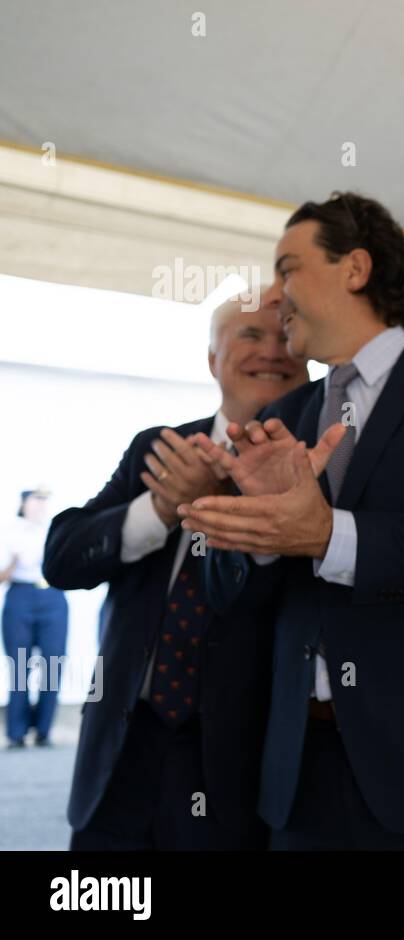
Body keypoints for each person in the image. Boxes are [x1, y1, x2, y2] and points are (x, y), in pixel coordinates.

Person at [184, 192, 404, 850]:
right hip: (299, 774)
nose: (275, 294)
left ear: (355, 268)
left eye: (288, 268)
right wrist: (260, 536)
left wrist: (328, 535)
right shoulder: (287, 416)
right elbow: (229, 598)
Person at [44, 287, 308, 848]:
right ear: (213, 358)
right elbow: (63, 560)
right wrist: (162, 507)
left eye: (286, 337)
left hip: (235, 761)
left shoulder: (317, 469)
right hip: (121, 744)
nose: (272, 351)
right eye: (250, 335)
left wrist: (225, 503)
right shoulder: (159, 448)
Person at [2, 488, 68, 749]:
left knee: (53, 664)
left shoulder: (55, 530)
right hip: (20, 595)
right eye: (35, 499)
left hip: (52, 595)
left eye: (43, 500)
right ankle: (16, 732)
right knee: (20, 666)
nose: (40, 504)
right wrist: (14, 559)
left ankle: (43, 730)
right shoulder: (9, 531)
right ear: (23, 503)